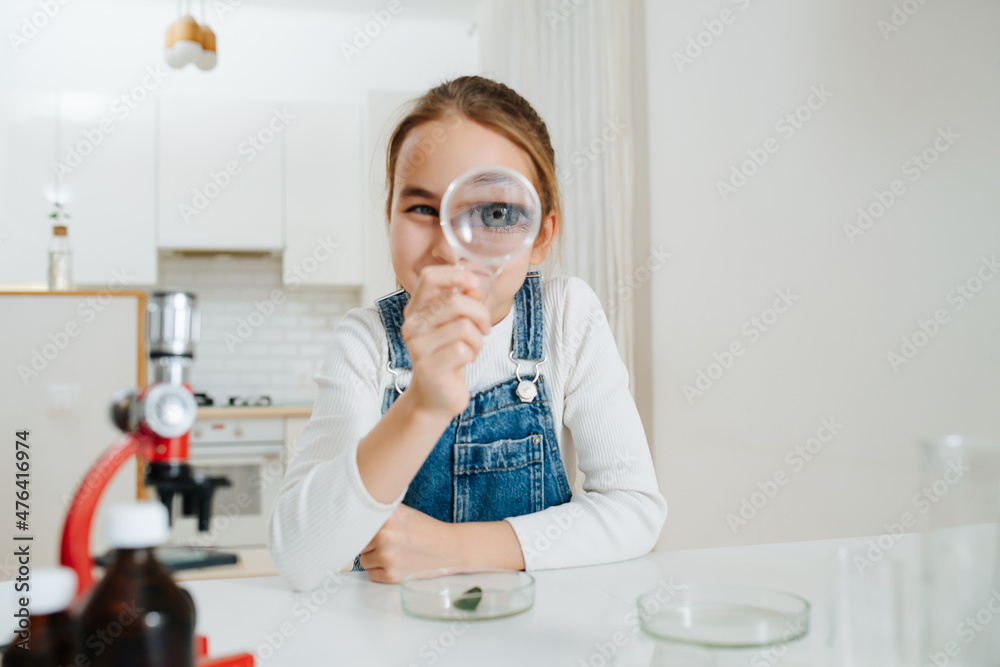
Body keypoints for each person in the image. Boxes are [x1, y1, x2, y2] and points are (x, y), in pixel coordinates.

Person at [267, 76, 666, 590]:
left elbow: (634, 509)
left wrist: (453, 550)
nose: (453, 247)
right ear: (388, 218)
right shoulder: (366, 342)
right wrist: (423, 404)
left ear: (541, 235)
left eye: (495, 213)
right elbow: (300, 557)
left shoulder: (568, 316)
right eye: (422, 210)